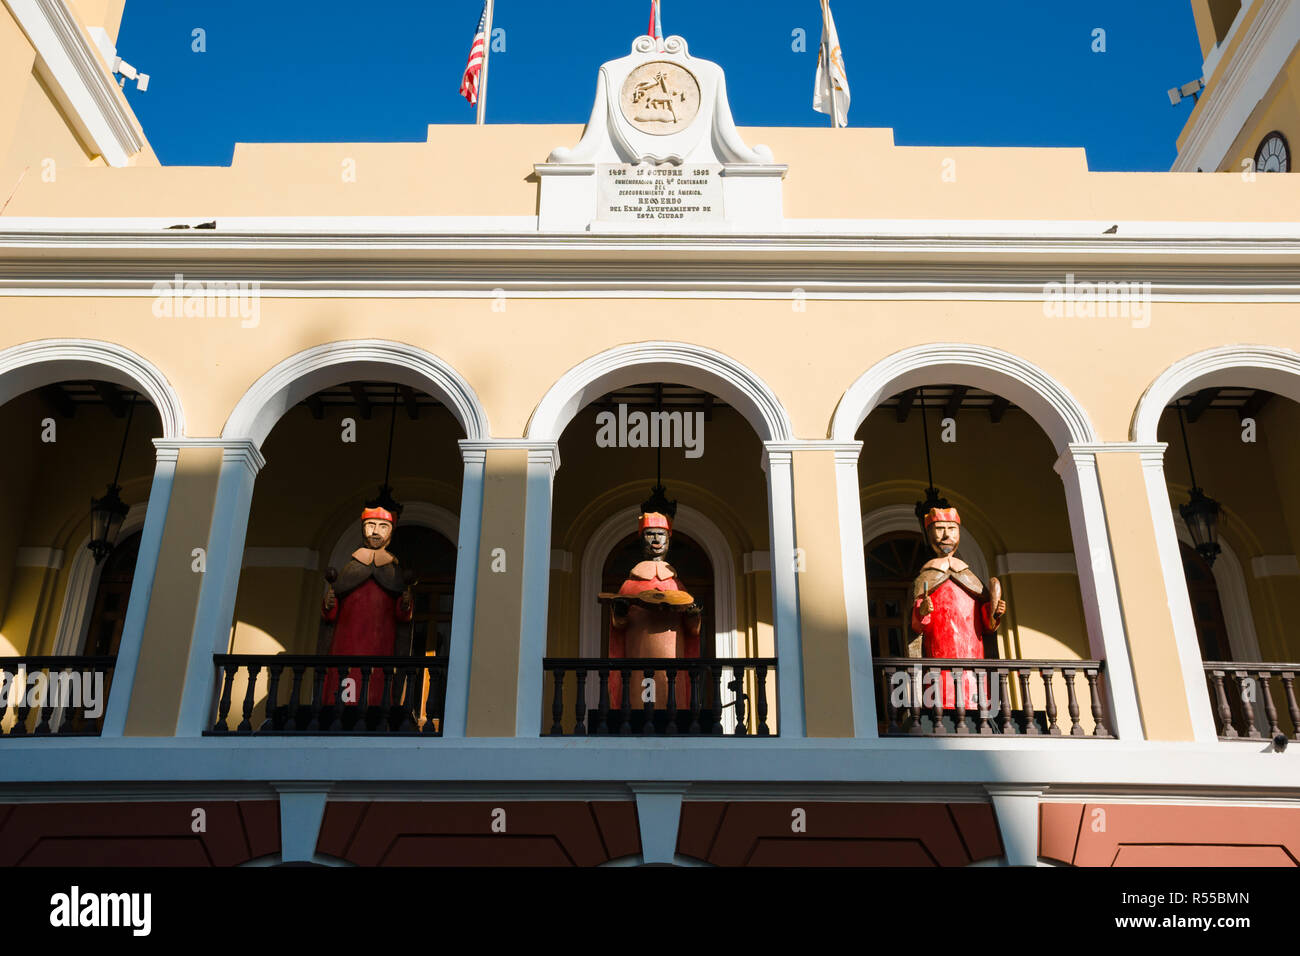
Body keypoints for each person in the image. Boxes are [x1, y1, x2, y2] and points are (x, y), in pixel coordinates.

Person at [603, 510, 701, 711]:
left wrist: (693, 616)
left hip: (672, 650)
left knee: (670, 691)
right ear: (642, 540)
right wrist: (620, 613)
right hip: (639, 649)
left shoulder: (676, 583)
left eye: (661, 534)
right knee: (641, 693)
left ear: (668, 539)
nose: (656, 539)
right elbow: (619, 625)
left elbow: (692, 630)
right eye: (650, 534)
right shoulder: (630, 584)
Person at [910, 506, 1005, 711]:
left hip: (972, 654)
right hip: (939, 654)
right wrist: (922, 612)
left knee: (974, 691)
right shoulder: (926, 576)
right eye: (940, 528)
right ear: (929, 533)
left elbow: (987, 626)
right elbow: (915, 626)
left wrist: (994, 613)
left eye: (952, 528)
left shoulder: (969, 576)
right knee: (943, 692)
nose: (946, 535)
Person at [321, 506, 413, 707]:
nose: (375, 531)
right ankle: (343, 707)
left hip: (381, 642)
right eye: (370, 525)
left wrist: (405, 605)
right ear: (363, 529)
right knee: (347, 685)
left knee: (375, 685)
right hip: (347, 640)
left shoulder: (394, 571)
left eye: (383, 526)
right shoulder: (351, 567)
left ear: (391, 531)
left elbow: (402, 617)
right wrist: (330, 605)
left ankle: (375, 707)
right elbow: (333, 609)